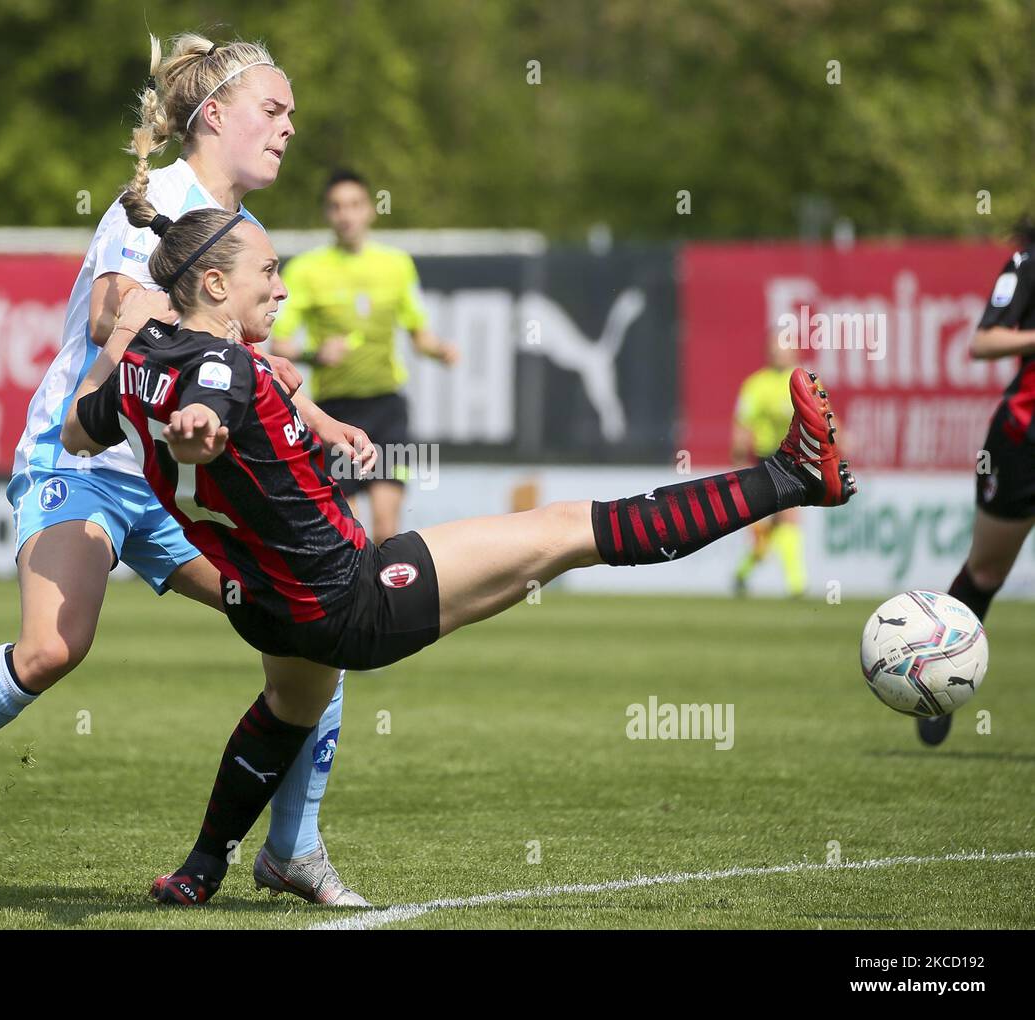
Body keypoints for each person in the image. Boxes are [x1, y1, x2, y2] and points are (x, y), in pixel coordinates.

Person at [61, 207, 859, 905]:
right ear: (211, 286)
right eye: (267, 273)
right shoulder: (222, 368)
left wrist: (130, 345)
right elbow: (212, 399)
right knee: (563, 532)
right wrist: (203, 420)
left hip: (266, 603)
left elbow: (79, 431)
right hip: (349, 599)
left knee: (289, 709)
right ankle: (789, 475)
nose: (281, 287)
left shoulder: (146, 358)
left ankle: (202, 870)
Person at [0, 32, 374, 907]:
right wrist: (148, 343)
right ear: (215, 115)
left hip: (180, 482)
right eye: (274, 111)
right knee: (49, 650)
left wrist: (314, 415)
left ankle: (292, 849)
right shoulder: (155, 201)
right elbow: (114, 318)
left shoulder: (244, 233)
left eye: (293, 115)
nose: (289, 128)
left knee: (317, 624)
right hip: (86, 463)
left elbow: (242, 366)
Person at [268, 169, 458, 543]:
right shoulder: (307, 270)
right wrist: (315, 353)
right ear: (327, 213)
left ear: (370, 210)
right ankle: (360, 601)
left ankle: (389, 601)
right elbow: (281, 347)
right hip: (336, 413)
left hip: (387, 409)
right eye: (337, 207)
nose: (346, 215)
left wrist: (440, 350)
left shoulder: (396, 265)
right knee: (350, 532)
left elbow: (419, 336)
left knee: (387, 531)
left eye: (354, 205)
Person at [918, 216, 1035, 747]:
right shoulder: (1026, 263)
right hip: (1023, 441)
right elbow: (984, 342)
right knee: (986, 571)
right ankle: (935, 680)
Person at [731, 332, 807, 596]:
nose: (778, 353)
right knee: (785, 517)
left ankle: (744, 572)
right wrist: (739, 456)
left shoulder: (804, 382)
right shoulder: (756, 385)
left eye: (784, 348)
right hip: (769, 459)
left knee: (780, 521)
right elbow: (743, 423)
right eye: (774, 348)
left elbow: (825, 417)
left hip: (796, 457)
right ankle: (796, 584)